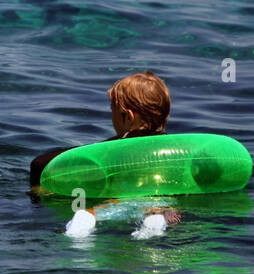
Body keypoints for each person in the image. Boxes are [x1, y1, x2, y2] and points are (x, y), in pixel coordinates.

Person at [30, 71, 172, 187]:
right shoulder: (174, 150)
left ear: (129, 117)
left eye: (113, 110)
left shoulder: (111, 151)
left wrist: (37, 192)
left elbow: (39, 164)